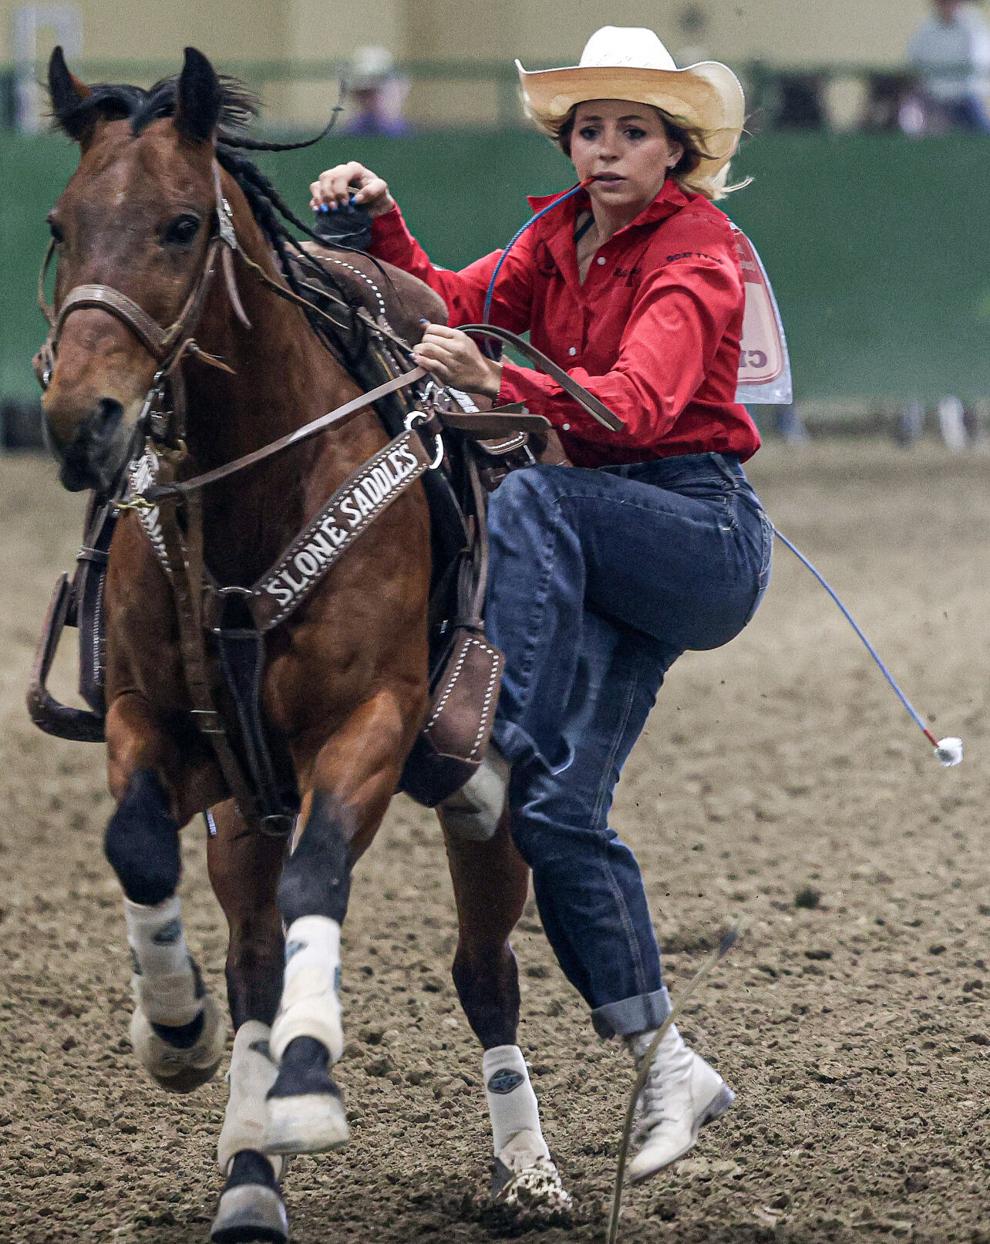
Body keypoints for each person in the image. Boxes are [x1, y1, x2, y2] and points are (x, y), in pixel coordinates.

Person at [311, 25, 772, 1186]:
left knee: (533, 514)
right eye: (589, 130)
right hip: (616, 542)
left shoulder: (701, 252)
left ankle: (489, 729)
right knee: (556, 814)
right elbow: (460, 300)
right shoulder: (555, 235)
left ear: (677, 151)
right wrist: (382, 229)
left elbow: (632, 405)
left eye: (631, 131)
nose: (605, 149)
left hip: (696, 532)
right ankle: (665, 1056)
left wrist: (498, 382)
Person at [907, 0, 990, 132]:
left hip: (963, 99)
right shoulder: (926, 29)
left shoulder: (973, 28)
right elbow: (913, 62)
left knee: (982, 135)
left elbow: (976, 66)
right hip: (930, 98)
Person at [340, 46, 412, 138]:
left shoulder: (415, 140)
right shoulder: (346, 139)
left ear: (401, 86)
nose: (374, 98)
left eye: (380, 90)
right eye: (365, 93)